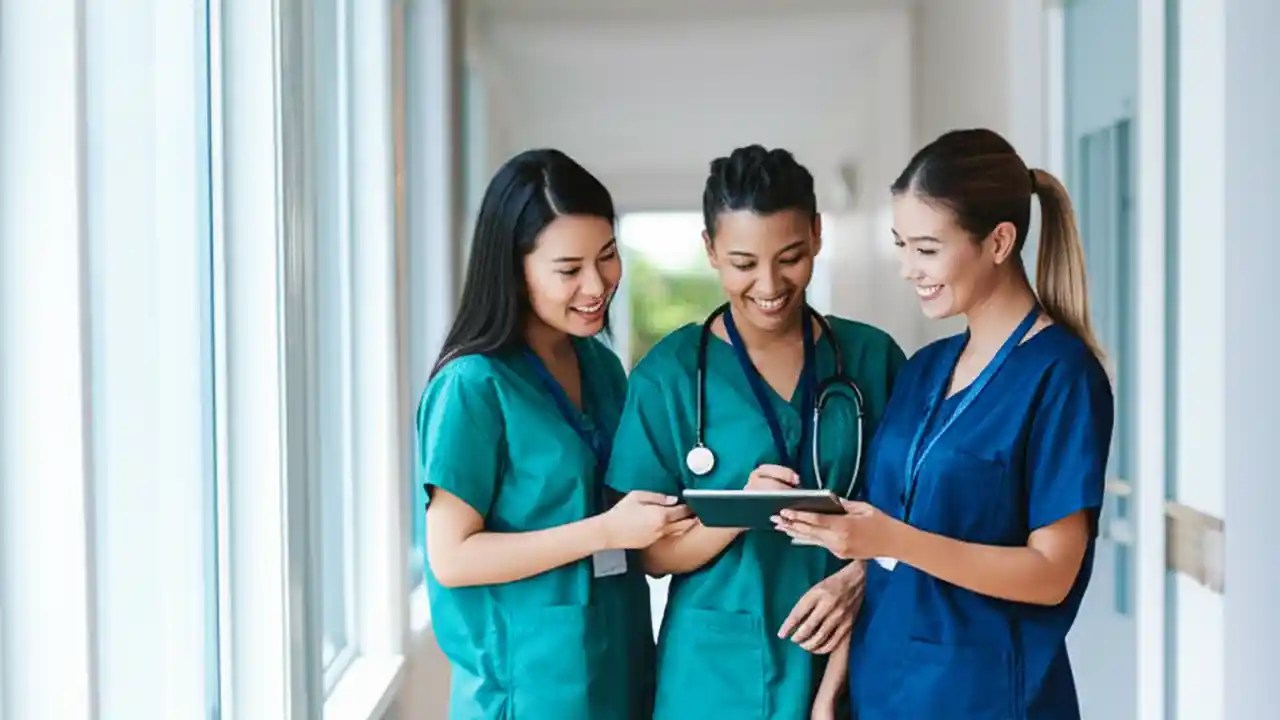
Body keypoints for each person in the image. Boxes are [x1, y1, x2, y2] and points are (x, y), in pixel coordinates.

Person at [774, 128, 1115, 718]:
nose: (909, 268)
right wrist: (834, 687)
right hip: (883, 685)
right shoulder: (924, 370)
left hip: (987, 696)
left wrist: (892, 540)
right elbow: (881, 553)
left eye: (927, 249)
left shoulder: (1061, 377)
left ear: (1000, 241)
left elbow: (1051, 573)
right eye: (900, 244)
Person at [606, 145, 906, 719]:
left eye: (790, 256)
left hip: (850, 656)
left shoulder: (872, 359)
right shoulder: (669, 377)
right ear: (710, 250)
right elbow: (649, 552)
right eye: (743, 263)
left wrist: (861, 576)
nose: (769, 284)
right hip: (716, 676)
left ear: (818, 235)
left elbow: (918, 515)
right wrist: (740, 510)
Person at [416, 148, 695, 720]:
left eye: (608, 256)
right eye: (569, 270)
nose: (597, 284)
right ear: (514, 269)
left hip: (616, 670)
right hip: (526, 692)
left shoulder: (601, 367)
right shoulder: (473, 385)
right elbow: (452, 558)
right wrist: (606, 530)